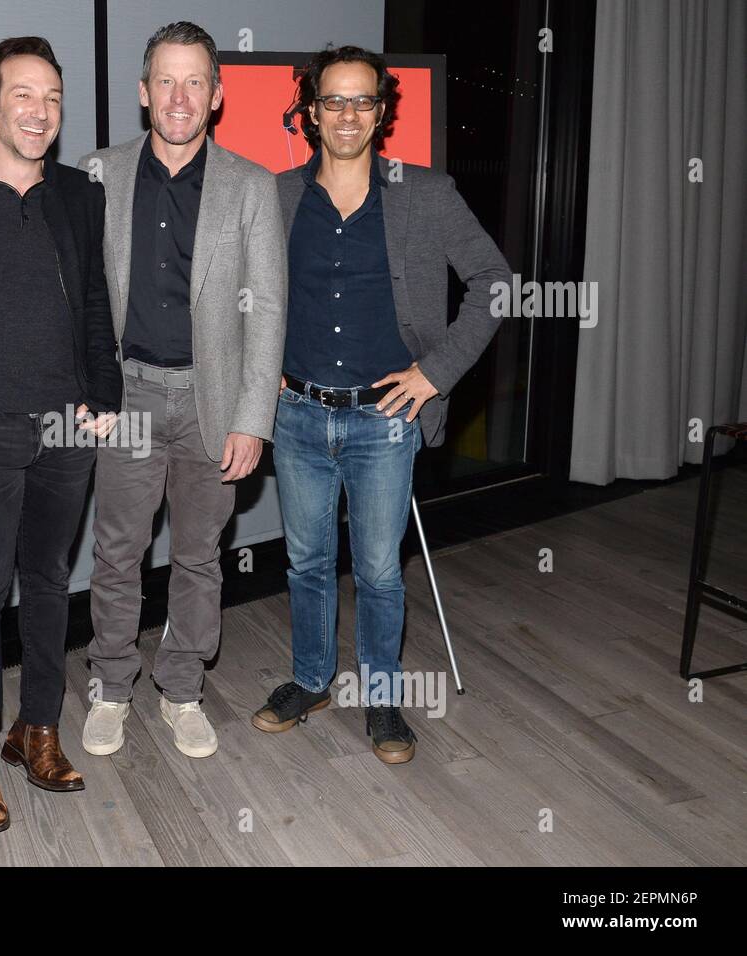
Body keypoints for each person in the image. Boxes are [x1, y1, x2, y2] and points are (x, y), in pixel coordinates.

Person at [252, 46, 511, 764]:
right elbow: (239, 290)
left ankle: (384, 698)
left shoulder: (425, 193)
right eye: (333, 100)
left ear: (382, 111)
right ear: (310, 110)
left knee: (378, 570)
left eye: (362, 101)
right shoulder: (274, 195)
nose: (347, 114)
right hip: (297, 415)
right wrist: (259, 365)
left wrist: (436, 372)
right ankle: (310, 680)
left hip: (385, 420)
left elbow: (496, 279)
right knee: (306, 563)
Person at [78, 22, 287, 759]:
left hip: (214, 401)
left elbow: (268, 312)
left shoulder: (253, 186)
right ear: (143, 93)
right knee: (117, 554)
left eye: (195, 80)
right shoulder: (96, 174)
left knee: (199, 557)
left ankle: (184, 688)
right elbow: (73, 293)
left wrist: (252, 419)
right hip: (128, 398)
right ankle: (109, 686)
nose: (180, 95)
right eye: (165, 80)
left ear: (217, 95)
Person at [0, 37, 121, 834]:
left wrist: (104, 387)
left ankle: (35, 730)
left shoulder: (80, 193)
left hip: (65, 422)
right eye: (22, 94)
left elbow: (92, 299)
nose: (39, 110)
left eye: (51, 96)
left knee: (48, 582)